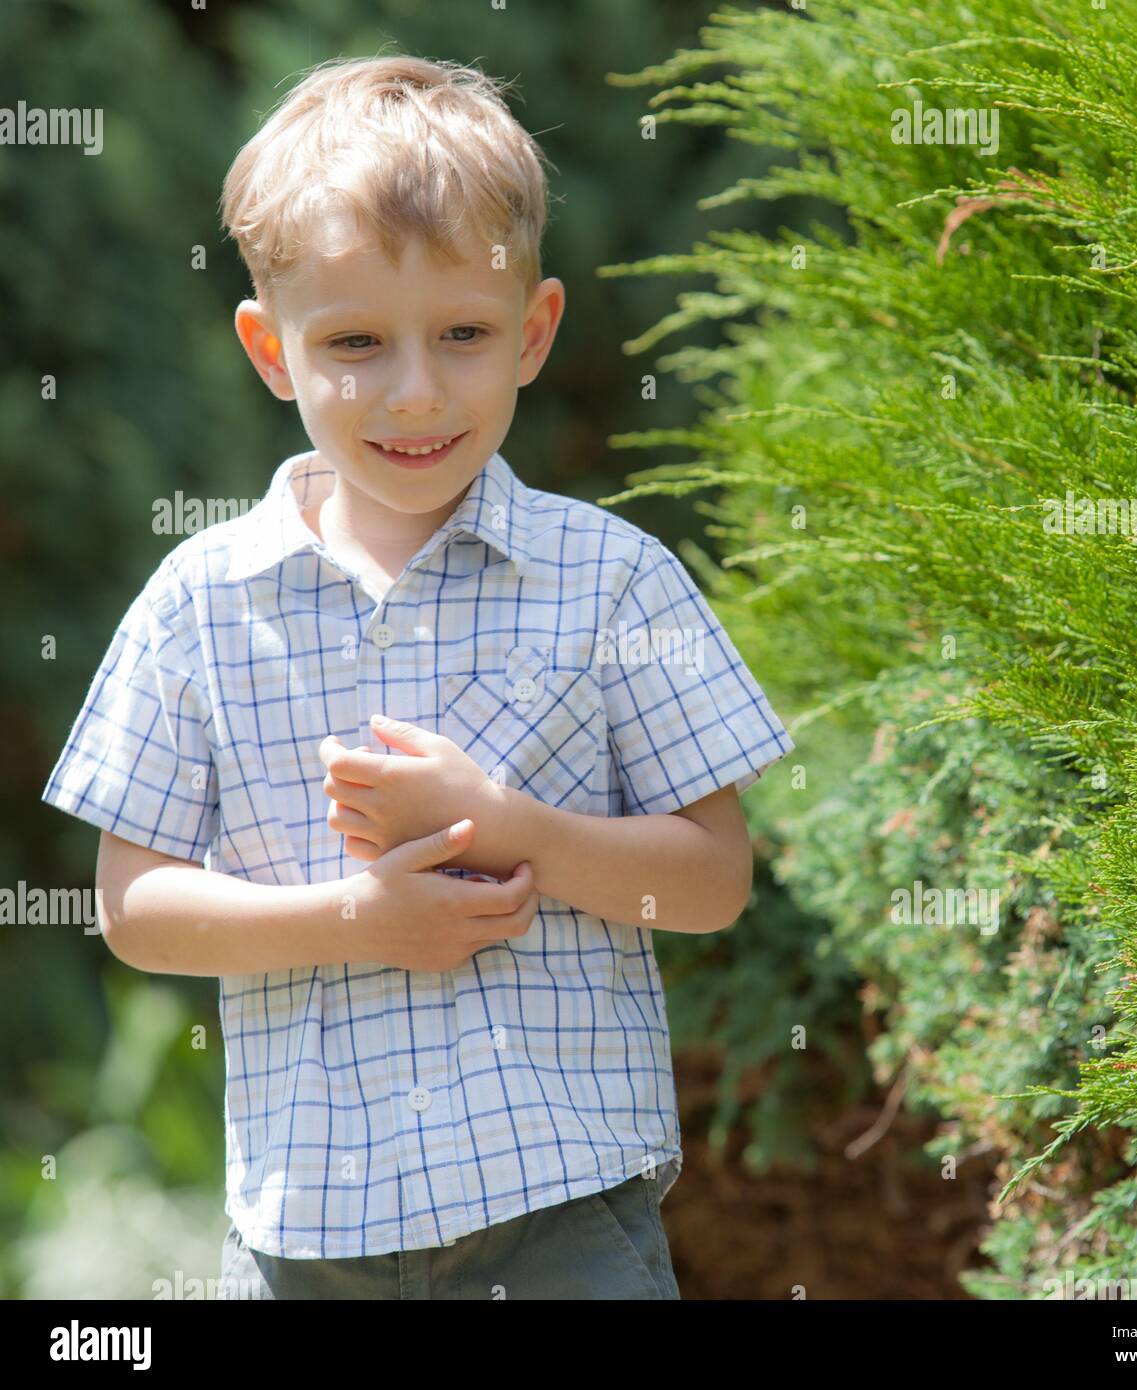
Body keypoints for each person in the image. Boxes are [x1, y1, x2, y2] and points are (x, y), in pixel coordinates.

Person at [40, 53, 795, 1300]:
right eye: (353, 342)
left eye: (462, 333)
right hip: (304, 1235)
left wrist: (513, 830)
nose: (414, 389)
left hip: (558, 1214)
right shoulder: (201, 602)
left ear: (534, 331)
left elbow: (712, 882)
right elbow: (135, 905)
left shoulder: (611, 580)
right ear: (270, 350)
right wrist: (358, 921)